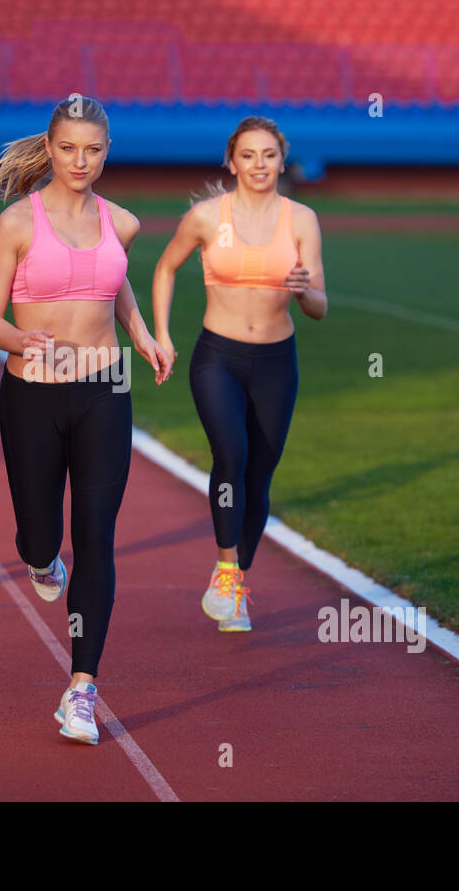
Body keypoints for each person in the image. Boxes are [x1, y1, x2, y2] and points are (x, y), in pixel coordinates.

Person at [0, 96, 171, 744]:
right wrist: (24, 342)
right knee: (41, 534)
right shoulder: (16, 224)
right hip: (31, 391)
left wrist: (141, 335)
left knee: (96, 537)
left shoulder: (123, 221)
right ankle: (38, 560)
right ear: (51, 148)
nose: (80, 160)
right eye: (68, 149)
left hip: (105, 389)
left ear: (105, 151)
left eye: (92, 149)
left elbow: (112, 281)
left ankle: (82, 688)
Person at [151, 117, 327, 632]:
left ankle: (237, 583)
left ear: (281, 159)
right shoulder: (206, 217)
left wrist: (303, 289)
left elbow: (319, 305)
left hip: (276, 361)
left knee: (259, 473)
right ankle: (227, 572)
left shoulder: (302, 220)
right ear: (232, 161)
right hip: (218, 358)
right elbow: (165, 268)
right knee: (232, 453)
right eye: (248, 155)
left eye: (269, 155)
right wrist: (162, 334)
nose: (258, 165)